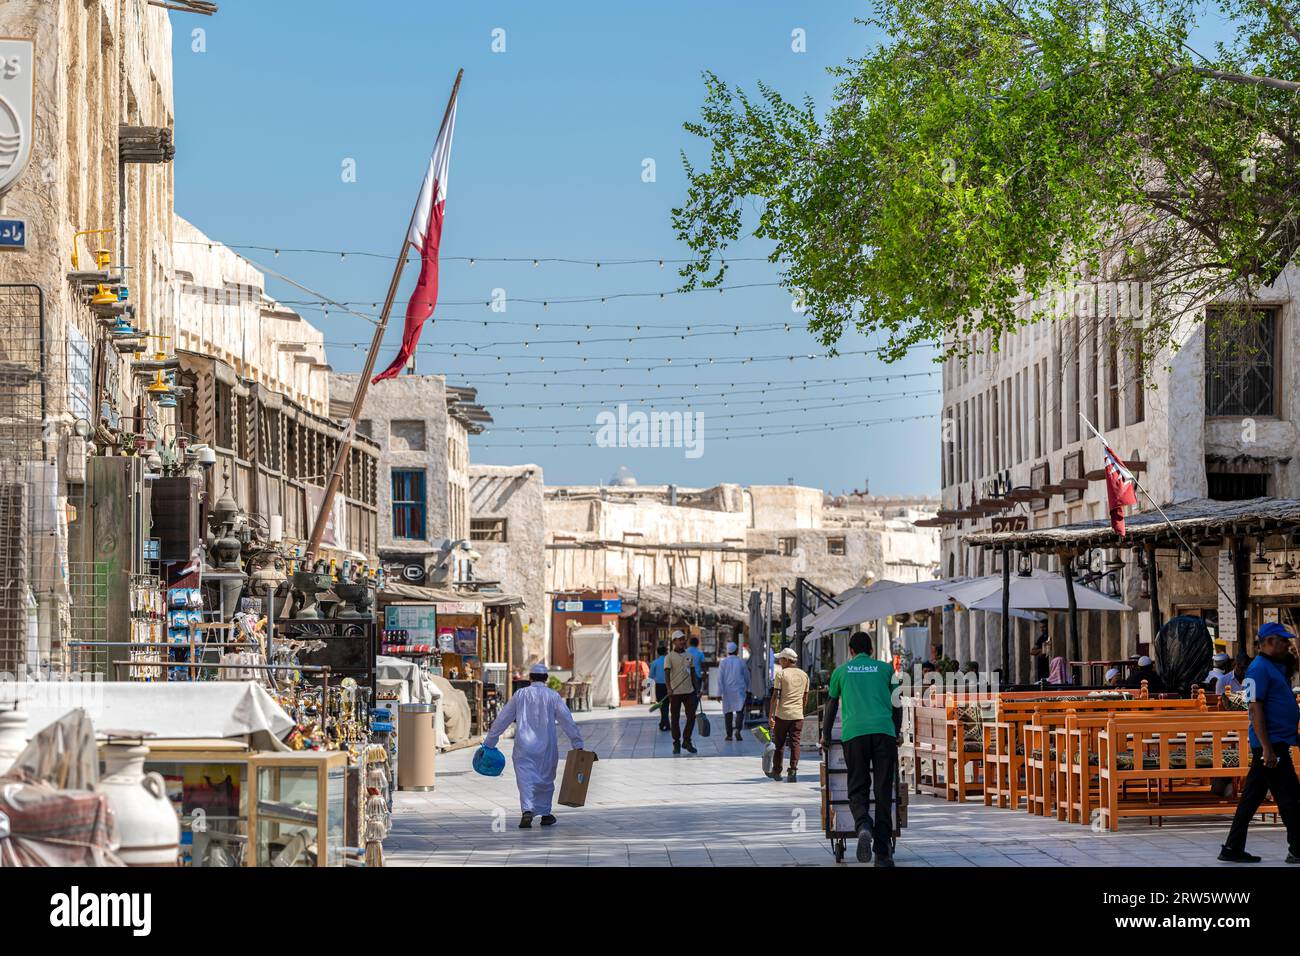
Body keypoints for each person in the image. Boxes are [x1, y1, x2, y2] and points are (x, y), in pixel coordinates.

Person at [1219, 622, 1300, 863]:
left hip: (1277, 742)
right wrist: (1266, 748)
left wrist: (1293, 737)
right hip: (1270, 745)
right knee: (1289, 797)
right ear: (1267, 642)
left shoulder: (1274, 667)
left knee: (1252, 798)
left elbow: (1277, 707)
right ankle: (1297, 848)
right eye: (1282, 640)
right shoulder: (1258, 669)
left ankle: (1232, 849)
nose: (1287, 644)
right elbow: (1254, 710)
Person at [821, 631, 901, 866]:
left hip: (854, 734)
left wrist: (826, 736)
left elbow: (831, 705)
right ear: (872, 651)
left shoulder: (841, 671)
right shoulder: (887, 670)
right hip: (884, 733)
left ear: (851, 651)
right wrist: (895, 733)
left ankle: (864, 825)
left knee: (858, 787)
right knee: (884, 789)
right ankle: (882, 852)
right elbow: (897, 704)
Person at [483, 662, 585, 829]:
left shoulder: (520, 695)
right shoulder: (553, 696)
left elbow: (503, 718)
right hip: (547, 746)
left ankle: (527, 811)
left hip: (524, 746)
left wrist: (490, 741)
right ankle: (545, 814)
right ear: (546, 678)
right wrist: (577, 743)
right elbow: (567, 720)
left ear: (530, 678)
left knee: (525, 779)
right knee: (545, 779)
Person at [768, 647, 809, 781]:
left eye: (780, 658)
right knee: (795, 743)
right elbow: (805, 697)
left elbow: (775, 696)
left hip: (783, 715)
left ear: (786, 660)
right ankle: (793, 770)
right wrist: (800, 710)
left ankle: (777, 771)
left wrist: (771, 715)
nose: (779, 661)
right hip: (797, 715)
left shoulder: (781, 674)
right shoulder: (804, 675)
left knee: (779, 744)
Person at [664, 631, 699, 755]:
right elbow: (667, 674)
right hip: (675, 692)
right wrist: (668, 688)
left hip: (689, 691)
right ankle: (676, 743)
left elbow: (693, 673)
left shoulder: (689, 655)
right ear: (674, 641)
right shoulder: (669, 657)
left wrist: (697, 689)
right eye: (679, 639)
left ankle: (687, 740)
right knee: (675, 718)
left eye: (683, 639)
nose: (682, 641)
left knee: (691, 716)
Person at [717, 641, 749, 741]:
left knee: (728, 712)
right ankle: (738, 730)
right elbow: (747, 676)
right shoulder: (741, 662)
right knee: (740, 711)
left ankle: (729, 735)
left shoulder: (723, 662)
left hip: (727, 691)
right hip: (739, 690)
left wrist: (719, 693)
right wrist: (748, 688)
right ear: (736, 651)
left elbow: (719, 678)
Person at [648, 643, 670, 731]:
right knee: (666, 705)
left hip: (658, 686)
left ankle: (664, 723)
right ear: (665, 652)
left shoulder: (654, 663)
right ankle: (665, 723)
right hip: (668, 685)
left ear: (657, 653)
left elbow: (650, 677)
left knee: (661, 704)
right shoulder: (669, 662)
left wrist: (649, 688)